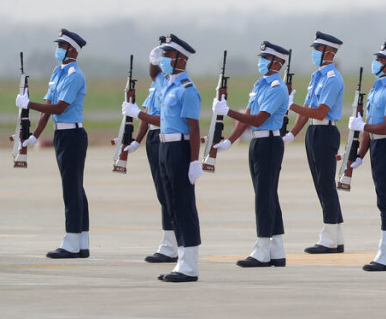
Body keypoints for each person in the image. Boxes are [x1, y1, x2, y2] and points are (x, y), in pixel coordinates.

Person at [123, 34, 203, 282]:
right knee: (173, 205)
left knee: (184, 206)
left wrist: (194, 161)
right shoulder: (168, 85)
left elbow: (194, 128)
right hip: (166, 148)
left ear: (181, 59)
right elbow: (154, 75)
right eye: (164, 55)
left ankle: (189, 265)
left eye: (168, 55)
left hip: (180, 149)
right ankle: (181, 261)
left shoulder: (187, 90)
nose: (164, 59)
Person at [214, 41, 291, 268]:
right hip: (257, 143)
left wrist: (227, 111)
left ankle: (261, 251)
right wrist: (229, 140)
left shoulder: (278, 87)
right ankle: (276, 250)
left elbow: (258, 119)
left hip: (269, 142)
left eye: (266, 58)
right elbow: (247, 117)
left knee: (263, 198)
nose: (262, 62)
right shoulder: (260, 84)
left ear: (277, 62)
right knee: (267, 194)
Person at [16, 29, 91, 259]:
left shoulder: (74, 75)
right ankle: (82, 243)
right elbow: (47, 108)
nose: (57, 49)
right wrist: (35, 135)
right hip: (61, 136)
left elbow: (59, 108)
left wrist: (29, 104)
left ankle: (71, 243)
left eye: (61, 45)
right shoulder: (58, 73)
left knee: (72, 189)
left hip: (73, 136)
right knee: (75, 187)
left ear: (72, 50)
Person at [347, 42, 386, 272]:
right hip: (378, 146)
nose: (376, 64)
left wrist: (364, 124)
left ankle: (385, 256)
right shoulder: (376, 89)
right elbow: (369, 130)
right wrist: (360, 155)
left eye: (381, 60)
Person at [285, 32, 346, 254]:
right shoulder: (317, 77)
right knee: (320, 183)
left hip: (325, 131)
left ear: (329, 52)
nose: (315, 53)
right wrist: (292, 134)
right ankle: (336, 234)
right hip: (313, 131)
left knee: (326, 184)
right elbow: (308, 109)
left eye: (318, 50)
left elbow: (321, 111)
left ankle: (329, 237)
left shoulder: (332, 78)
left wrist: (292, 106)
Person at [122, 36, 179, 263]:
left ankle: (170, 246)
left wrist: (138, 114)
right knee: (161, 193)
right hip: (154, 138)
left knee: (168, 193)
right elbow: (146, 112)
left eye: (164, 55)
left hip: (166, 136)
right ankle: (170, 242)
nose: (158, 61)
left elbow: (157, 116)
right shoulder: (157, 81)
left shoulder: (171, 82)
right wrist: (137, 140)